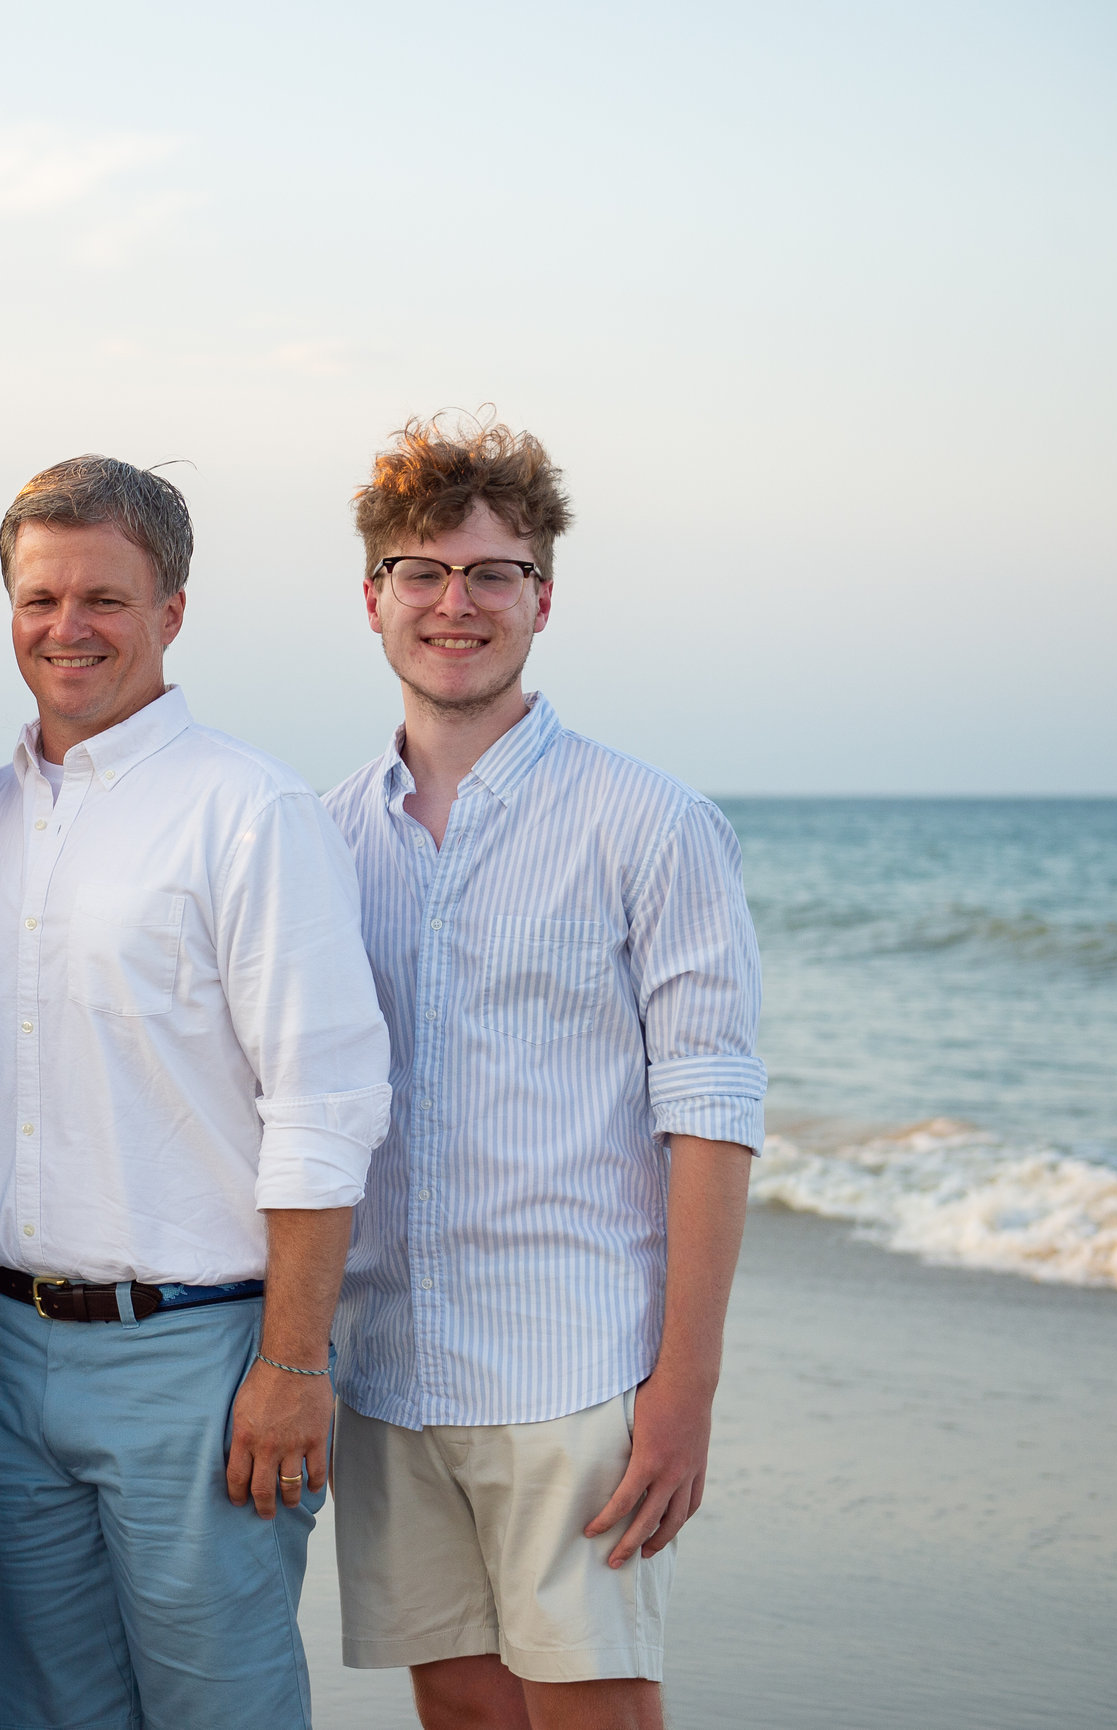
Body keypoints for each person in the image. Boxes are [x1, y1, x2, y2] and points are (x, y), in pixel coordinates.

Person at [321, 415, 766, 1730]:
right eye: (420, 570)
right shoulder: (319, 837)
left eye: (490, 572)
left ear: (541, 596)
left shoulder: (650, 823)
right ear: (371, 597)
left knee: (592, 1716)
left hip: (574, 1372)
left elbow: (710, 1116)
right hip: (387, 1367)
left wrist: (680, 1395)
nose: (452, 602)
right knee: (457, 1711)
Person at [0, 455, 394, 1729]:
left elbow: (326, 1099)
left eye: (104, 597)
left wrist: (292, 1361)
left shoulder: (249, 810)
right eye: (38, 599)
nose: (65, 628)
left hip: (200, 1353)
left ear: (172, 609)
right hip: (7, 1345)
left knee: (219, 1710)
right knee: (36, 1711)